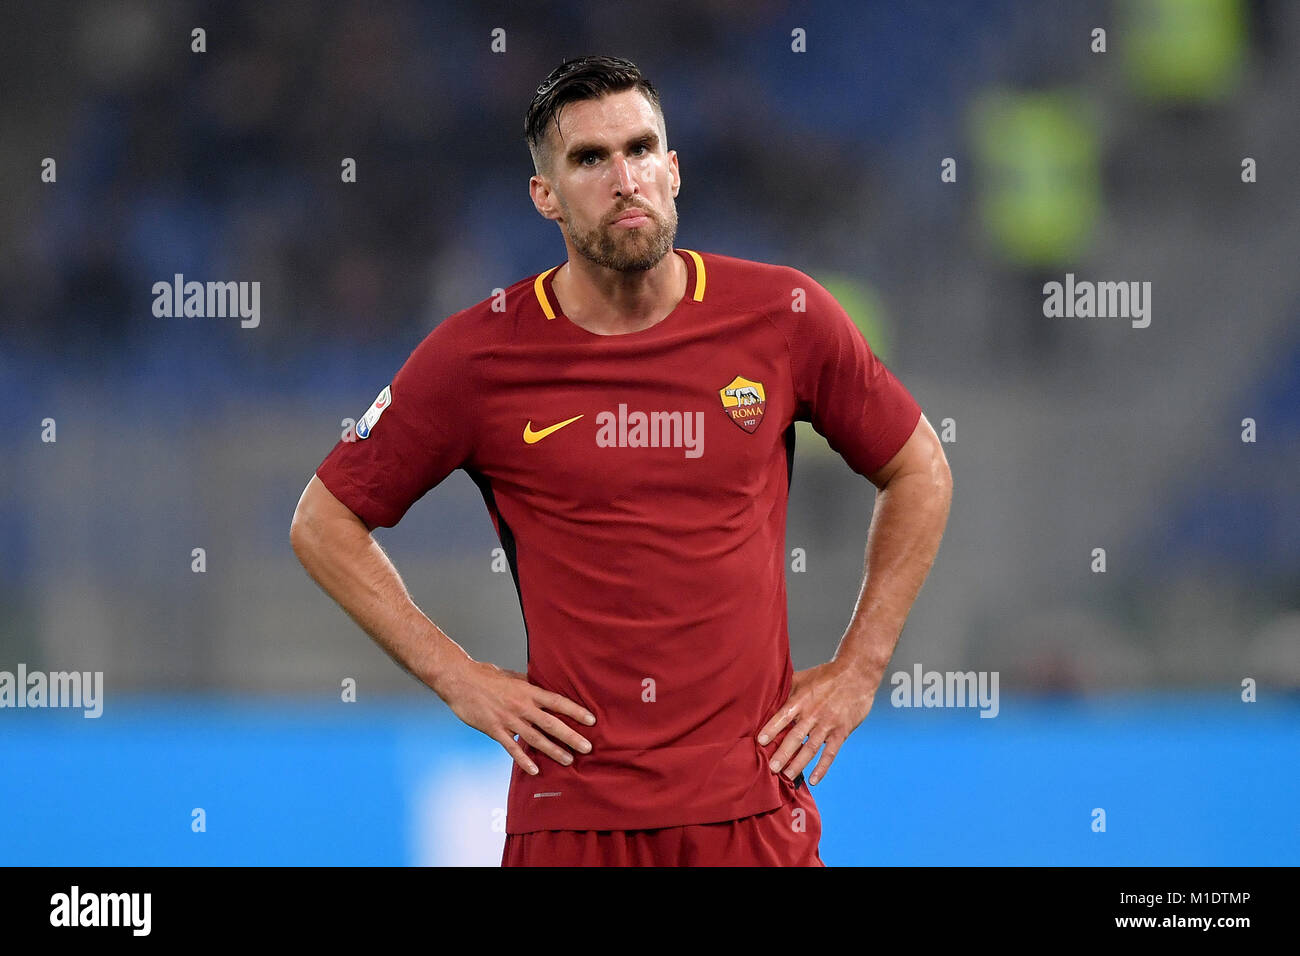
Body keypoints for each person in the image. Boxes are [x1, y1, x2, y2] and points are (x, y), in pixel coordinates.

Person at [290, 55, 953, 867]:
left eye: (641, 150)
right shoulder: (478, 356)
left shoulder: (783, 315)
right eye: (589, 159)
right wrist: (460, 677)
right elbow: (324, 520)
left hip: (749, 808)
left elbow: (920, 467)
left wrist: (861, 666)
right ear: (546, 196)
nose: (624, 177)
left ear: (673, 172)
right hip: (572, 819)